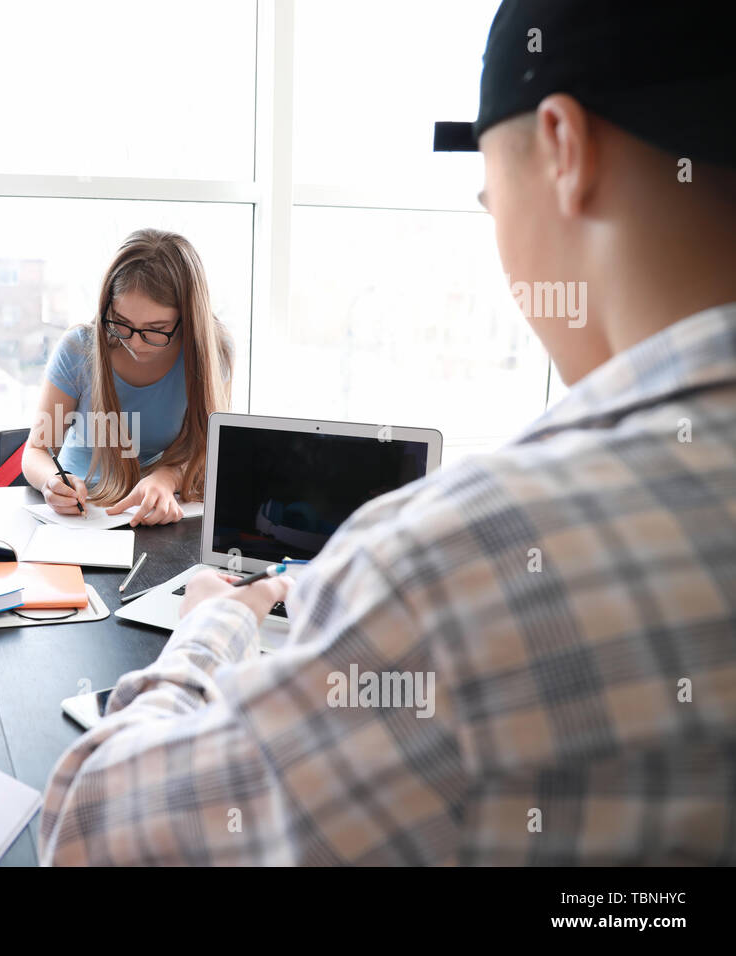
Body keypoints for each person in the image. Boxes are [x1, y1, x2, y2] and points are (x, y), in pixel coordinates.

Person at [38, 0, 736, 864]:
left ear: (564, 149)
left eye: (488, 195)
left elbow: (95, 832)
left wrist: (208, 631)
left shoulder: (458, 565)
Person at [22, 229, 233, 526]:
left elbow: (211, 449)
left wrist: (167, 476)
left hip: (164, 514)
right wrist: (52, 482)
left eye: (156, 329)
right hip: (80, 515)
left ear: (188, 318)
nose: (134, 343)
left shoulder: (214, 351)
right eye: (120, 323)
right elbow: (37, 450)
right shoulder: (79, 349)